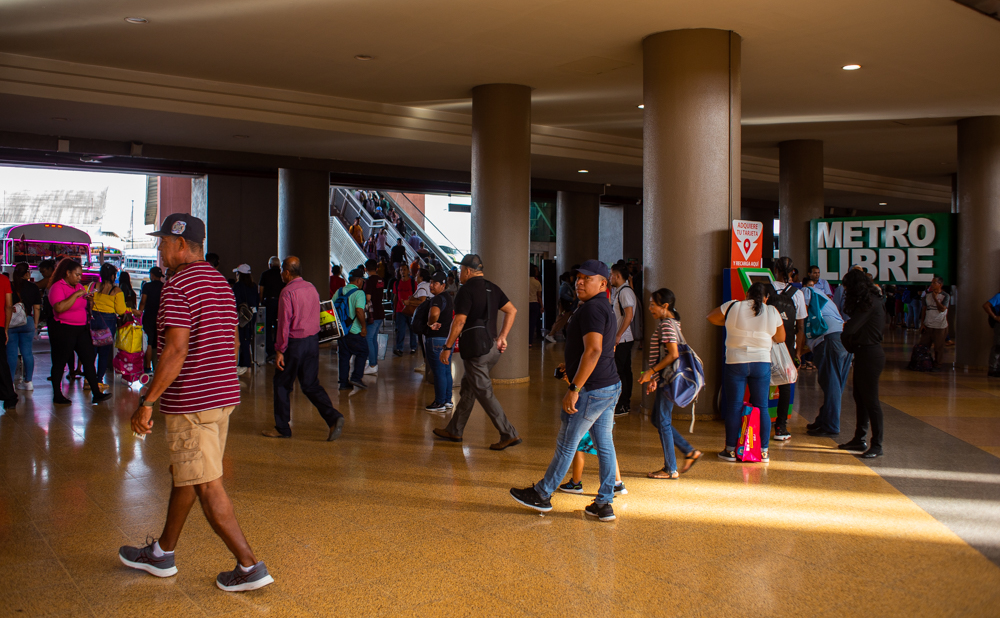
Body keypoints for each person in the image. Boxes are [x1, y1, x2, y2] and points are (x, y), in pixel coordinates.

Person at [121, 213, 273, 592]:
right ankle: (162, 554)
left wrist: (148, 400)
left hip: (192, 402)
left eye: (163, 242)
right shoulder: (220, 283)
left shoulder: (178, 285)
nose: (159, 249)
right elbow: (233, 341)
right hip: (221, 396)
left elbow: (175, 349)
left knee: (207, 484)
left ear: (182, 245)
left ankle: (249, 566)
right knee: (189, 475)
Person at [509, 260, 621, 521]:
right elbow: (602, 349)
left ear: (603, 283)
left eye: (587, 278)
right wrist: (570, 364)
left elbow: (594, 351)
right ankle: (604, 503)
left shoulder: (592, 309)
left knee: (567, 443)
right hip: (609, 385)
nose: (579, 282)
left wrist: (575, 387)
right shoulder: (604, 307)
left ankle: (543, 493)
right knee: (604, 443)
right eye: (578, 277)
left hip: (591, 390)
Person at [432, 254, 520, 450]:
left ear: (467, 271)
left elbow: (460, 321)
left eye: (461, 270)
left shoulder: (466, 290)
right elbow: (512, 310)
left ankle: (508, 433)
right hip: (492, 348)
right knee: (469, 389)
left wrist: (447, 347)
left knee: (484, 392)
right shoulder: (493, 288)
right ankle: (455, 430)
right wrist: (503, 336)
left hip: (476, 350)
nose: (459, 274)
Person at [263, 256, 345, 440]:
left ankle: (283, 428)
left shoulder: (287, 292)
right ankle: (333, 417)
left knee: (282, 384)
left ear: (286, 272)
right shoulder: (311, 288)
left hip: (294, 344)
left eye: (282, 272)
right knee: (310, 384)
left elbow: (284, 324)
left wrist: (279, 350)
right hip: (311, 342)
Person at [707, 282, 784, 462]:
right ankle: (763, 451)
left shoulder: (733, 305)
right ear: (766, 298)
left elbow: (710, 317)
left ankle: (731, 451)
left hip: (736, 361)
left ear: (747, 294)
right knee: (762, 406)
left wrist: (730, 324)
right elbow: (780, 337)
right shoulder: (772, 311)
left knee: (734, 406)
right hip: (762, 363)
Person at [638, 288, 702, 478]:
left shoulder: (667, 324)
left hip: (669, 379)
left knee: (663, 421)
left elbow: (673, 354)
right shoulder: (672, 322)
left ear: (665, 306)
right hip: (665, 378)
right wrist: (655, 378)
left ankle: (671, 468)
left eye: (653, 304)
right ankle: (689, 452)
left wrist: (651, 372)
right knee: (657, 418)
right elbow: (664, 354)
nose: (650, 308)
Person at [48, 259, 112, 405]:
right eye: (76, 275)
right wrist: (75, 295)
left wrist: (88, 300)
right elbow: (59, 308)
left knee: (89, 361)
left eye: (80, 275)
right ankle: (57, 395)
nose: (79, 277)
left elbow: (82, 306)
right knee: (60, 362)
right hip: (64, 329)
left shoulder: (79, 287)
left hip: (81, 329)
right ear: (68, 273)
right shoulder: (58, 287)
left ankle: (96, 393)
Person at [839, 269, 886, 459]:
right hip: (865, 352)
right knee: (860, 397)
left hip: (869, 354)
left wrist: (848, 341)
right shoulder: (872, 301)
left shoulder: (869, 304)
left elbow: (850, 329)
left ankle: (877, 444)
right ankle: (860, 438)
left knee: (871, 401)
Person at [804, 277, 850, 438]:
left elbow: (801, 318)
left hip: (828, 340)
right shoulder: (824, 296)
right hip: (844, 337)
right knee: (837, 384)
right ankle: (824, 419)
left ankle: (831, 425)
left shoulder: (803, 293)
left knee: (831, 384)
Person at [770, 257, 807, 441]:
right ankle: (781, 427)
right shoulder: (797, 294)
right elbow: (800, 328)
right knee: (785, 386)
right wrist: (797, 354)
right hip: (786, 346)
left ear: (775, 269)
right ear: (792, 271)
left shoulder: (766, 288)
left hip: (766, 345)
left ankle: (757, 423)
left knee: (761, 382)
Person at [91, 262, 129, 389]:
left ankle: (88, 379)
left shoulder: (93, 286)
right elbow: (121, 310)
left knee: (92, 352)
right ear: (113, 276)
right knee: (104, 352)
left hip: (93, 319)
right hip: (108, 322)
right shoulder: (116, 291)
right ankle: (99, 380)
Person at [333, 268, 369, 391]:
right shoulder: (359, 293)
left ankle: (343, 383)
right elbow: (359, 310)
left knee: (344, 356)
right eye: (362, 280)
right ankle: (356, 377)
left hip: (341, 331)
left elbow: (331, 307)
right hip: (354, 331)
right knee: (363, 352)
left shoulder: (340, 291)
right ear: (359, 280)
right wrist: (364, 327)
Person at [7, 263, 41, 391]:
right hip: (27, 321)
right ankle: (28, 382)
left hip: (11, 322)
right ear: (27, 273)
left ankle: (10, 382)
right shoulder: (33, 287)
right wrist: (36, 324)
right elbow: (37, 307)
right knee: (27, 352)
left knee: (11, 353)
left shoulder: (11, 286)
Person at [609, 263, 637, 416]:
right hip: (624, 338)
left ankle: (622, 404)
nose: (610, 278)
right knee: (625, 371)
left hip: (623, 339)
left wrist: (618, 334)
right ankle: (624, 403)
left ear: (618, 276)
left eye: (611, 275)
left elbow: (629, 315)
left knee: (620, 371)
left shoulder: (625, 292)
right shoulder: (621, 291)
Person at [424, 271, 454, 412]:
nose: (431, 285)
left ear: (443, 285)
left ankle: (440, 402)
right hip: (448, 339)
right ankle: (448, 400)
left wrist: (431, 323)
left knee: (439, 372)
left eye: (435, 283)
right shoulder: (448, 297)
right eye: (431, 282)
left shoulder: (437, 299)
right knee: (446, 371)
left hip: (436, 338)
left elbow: (434, 313)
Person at [231, 264, 258, 374]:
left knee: (241, 340)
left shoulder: (237, 286)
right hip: (251, 316)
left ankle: (244, 364)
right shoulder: (254, 286)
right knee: (248, 339)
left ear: (239, 274)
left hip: (241, 317)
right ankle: (247, 363)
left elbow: (234, 302)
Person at [918, 276, 950, 369]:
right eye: (932, 283)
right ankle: (924, 362)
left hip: (940, 325)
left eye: (934, 283)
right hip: (928, 324)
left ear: (940, 284)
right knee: (924, 345)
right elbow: (924, 309)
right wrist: (922, 323)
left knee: (938, 347)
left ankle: (938, 364)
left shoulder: (945, 296)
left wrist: (936, 299)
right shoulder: (926, 296)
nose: (932, 284)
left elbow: (942, 309)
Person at [258, 257, 284, 363]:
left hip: (268, 303)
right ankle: (279, 349)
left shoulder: (265, 274)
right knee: (279, 327)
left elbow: (261, 290)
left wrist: (261, 303)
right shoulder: (282, 275)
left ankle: (270, 351)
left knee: (267, 327)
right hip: (281, 303)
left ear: (270, 265)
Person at [139, 266, 165, 373]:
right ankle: (157, 366)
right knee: (158, 342)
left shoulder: (147, 286)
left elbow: (143, 302)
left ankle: (147, 367)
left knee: (149, 342)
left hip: (149, 316)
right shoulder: (164, 287)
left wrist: (139, 314)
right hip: (160, 317)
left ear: (152, 275)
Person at [363, 259, 385, 375]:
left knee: (369, 338)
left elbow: (367, 298)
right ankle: (374, 363)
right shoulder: (380, 280)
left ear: (366, 269)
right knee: (374, 338)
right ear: (376, 268)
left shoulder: (369, 281)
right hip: (380, 312)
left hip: (372, 314)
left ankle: (372, 364)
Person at [545, 272, 576, 343]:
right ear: (567, 278)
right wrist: (572, 299)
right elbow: (562, 294)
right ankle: (550, 334)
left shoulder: (566, 285)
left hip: (566, 306)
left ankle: (566, 335)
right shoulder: (565, 285)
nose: (572, 278)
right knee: (561, 319)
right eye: (571, 276)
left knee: (566, 320)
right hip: (565, 306)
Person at [392, 266, 417, 356]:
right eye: (401, 270)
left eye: (404, 270)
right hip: (400, 310)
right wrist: (394, 311)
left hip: (410, 310)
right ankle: (399, 348)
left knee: (412, 329)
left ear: (408, 271)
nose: (403, 272)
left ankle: (413, 347)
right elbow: (395, 297)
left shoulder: (413, 283)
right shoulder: (397, 283)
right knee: (400, 330)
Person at [528, 264, 543, 347]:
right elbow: (539, 296)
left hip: (525, 304)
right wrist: (542, 306)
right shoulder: (537, 282)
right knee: (532, 324)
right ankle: (529, 342)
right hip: (534, 304)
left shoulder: (524, 282)